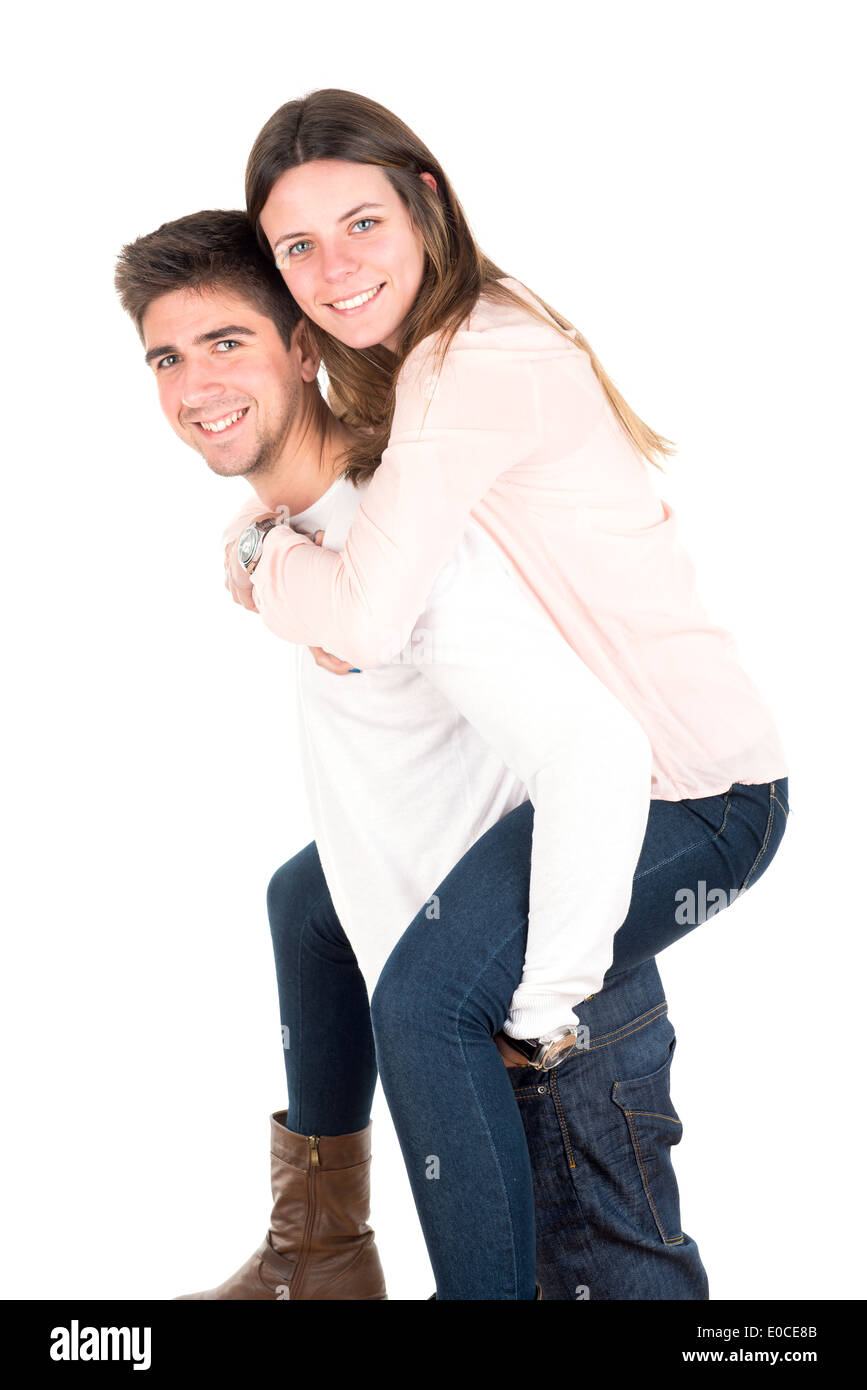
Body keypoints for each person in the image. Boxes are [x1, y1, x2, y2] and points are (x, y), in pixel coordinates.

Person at [115, 208, 789, 1300]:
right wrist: (252, 544)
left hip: (552, 1041)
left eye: (227, 341)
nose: (196, 384)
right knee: (308, 894)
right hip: (468, 941)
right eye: (166, 356)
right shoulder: (307, 526)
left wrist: (541, 1008)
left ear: (302, 346)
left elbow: (593, 748)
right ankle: (320, 1252)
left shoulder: (400, 543)